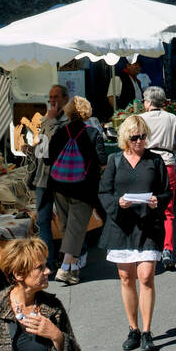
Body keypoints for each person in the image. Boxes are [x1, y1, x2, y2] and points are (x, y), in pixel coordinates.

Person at [99, 114, 170, 351]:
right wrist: (117, 203)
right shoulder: (114, 160)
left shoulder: (155, 161)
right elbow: (103, 192)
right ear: (125, 138)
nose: (140, 141)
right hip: (122, 226)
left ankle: (147, 331)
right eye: (135, 137)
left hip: (148, 225)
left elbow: (166, 192)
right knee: (126, 278)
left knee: (146, 276)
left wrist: (156, 201)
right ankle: (133, 329)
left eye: (143, 136)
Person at [45, 96, 107, 285]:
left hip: (59, 185)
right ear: (87, 111)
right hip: (83, 188)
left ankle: (73, 270)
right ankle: (64, 268)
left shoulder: (60, 132)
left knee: (67, 228)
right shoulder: (93, 133)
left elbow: (48, 158)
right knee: (76, 229)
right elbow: (102, 159)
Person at [142, 85, 176, 270]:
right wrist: (171, 146)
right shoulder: (171, 117)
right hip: (168, 162)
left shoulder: (140, 119)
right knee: (168, 210)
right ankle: (168, 250)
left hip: (146, 165)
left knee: (146, 205)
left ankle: (148, 248)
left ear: (148, 102)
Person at [30, 83, 69, 266]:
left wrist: (51, 120)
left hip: (61, 178)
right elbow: (42, 148)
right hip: (43, 178)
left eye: (56, 98)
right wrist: (32, 149)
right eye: (50, 98)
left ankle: (76, 255)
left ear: (65, 99)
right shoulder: (47, 119)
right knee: (42, 219)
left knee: (65, 219)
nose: (52, 102)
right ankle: (48, 261)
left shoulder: (69, 120)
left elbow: (57, 145)